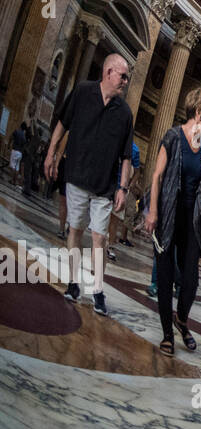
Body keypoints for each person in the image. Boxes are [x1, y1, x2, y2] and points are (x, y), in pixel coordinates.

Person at [43, 54, 135, 317]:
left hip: (105, 186)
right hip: (77, 177)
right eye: (123, 76)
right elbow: (63, 122)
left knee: (100, 237)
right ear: (108, 72)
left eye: (126, 77)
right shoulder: (83, 92)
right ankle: (73, 283)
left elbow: (126, 156)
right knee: (75, 229)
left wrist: (123, 188)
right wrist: (51, 154)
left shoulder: (125, 114)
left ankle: (97, 290)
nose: (125, 82)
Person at [144, 88, 201, 354]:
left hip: (191, 221)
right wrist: (152, 212)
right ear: (198, 113)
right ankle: (166, 334)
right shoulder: (173, 137)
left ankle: (181, 320)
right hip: (168, 214)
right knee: (163, 276)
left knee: (191, 280)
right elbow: (157, 176)